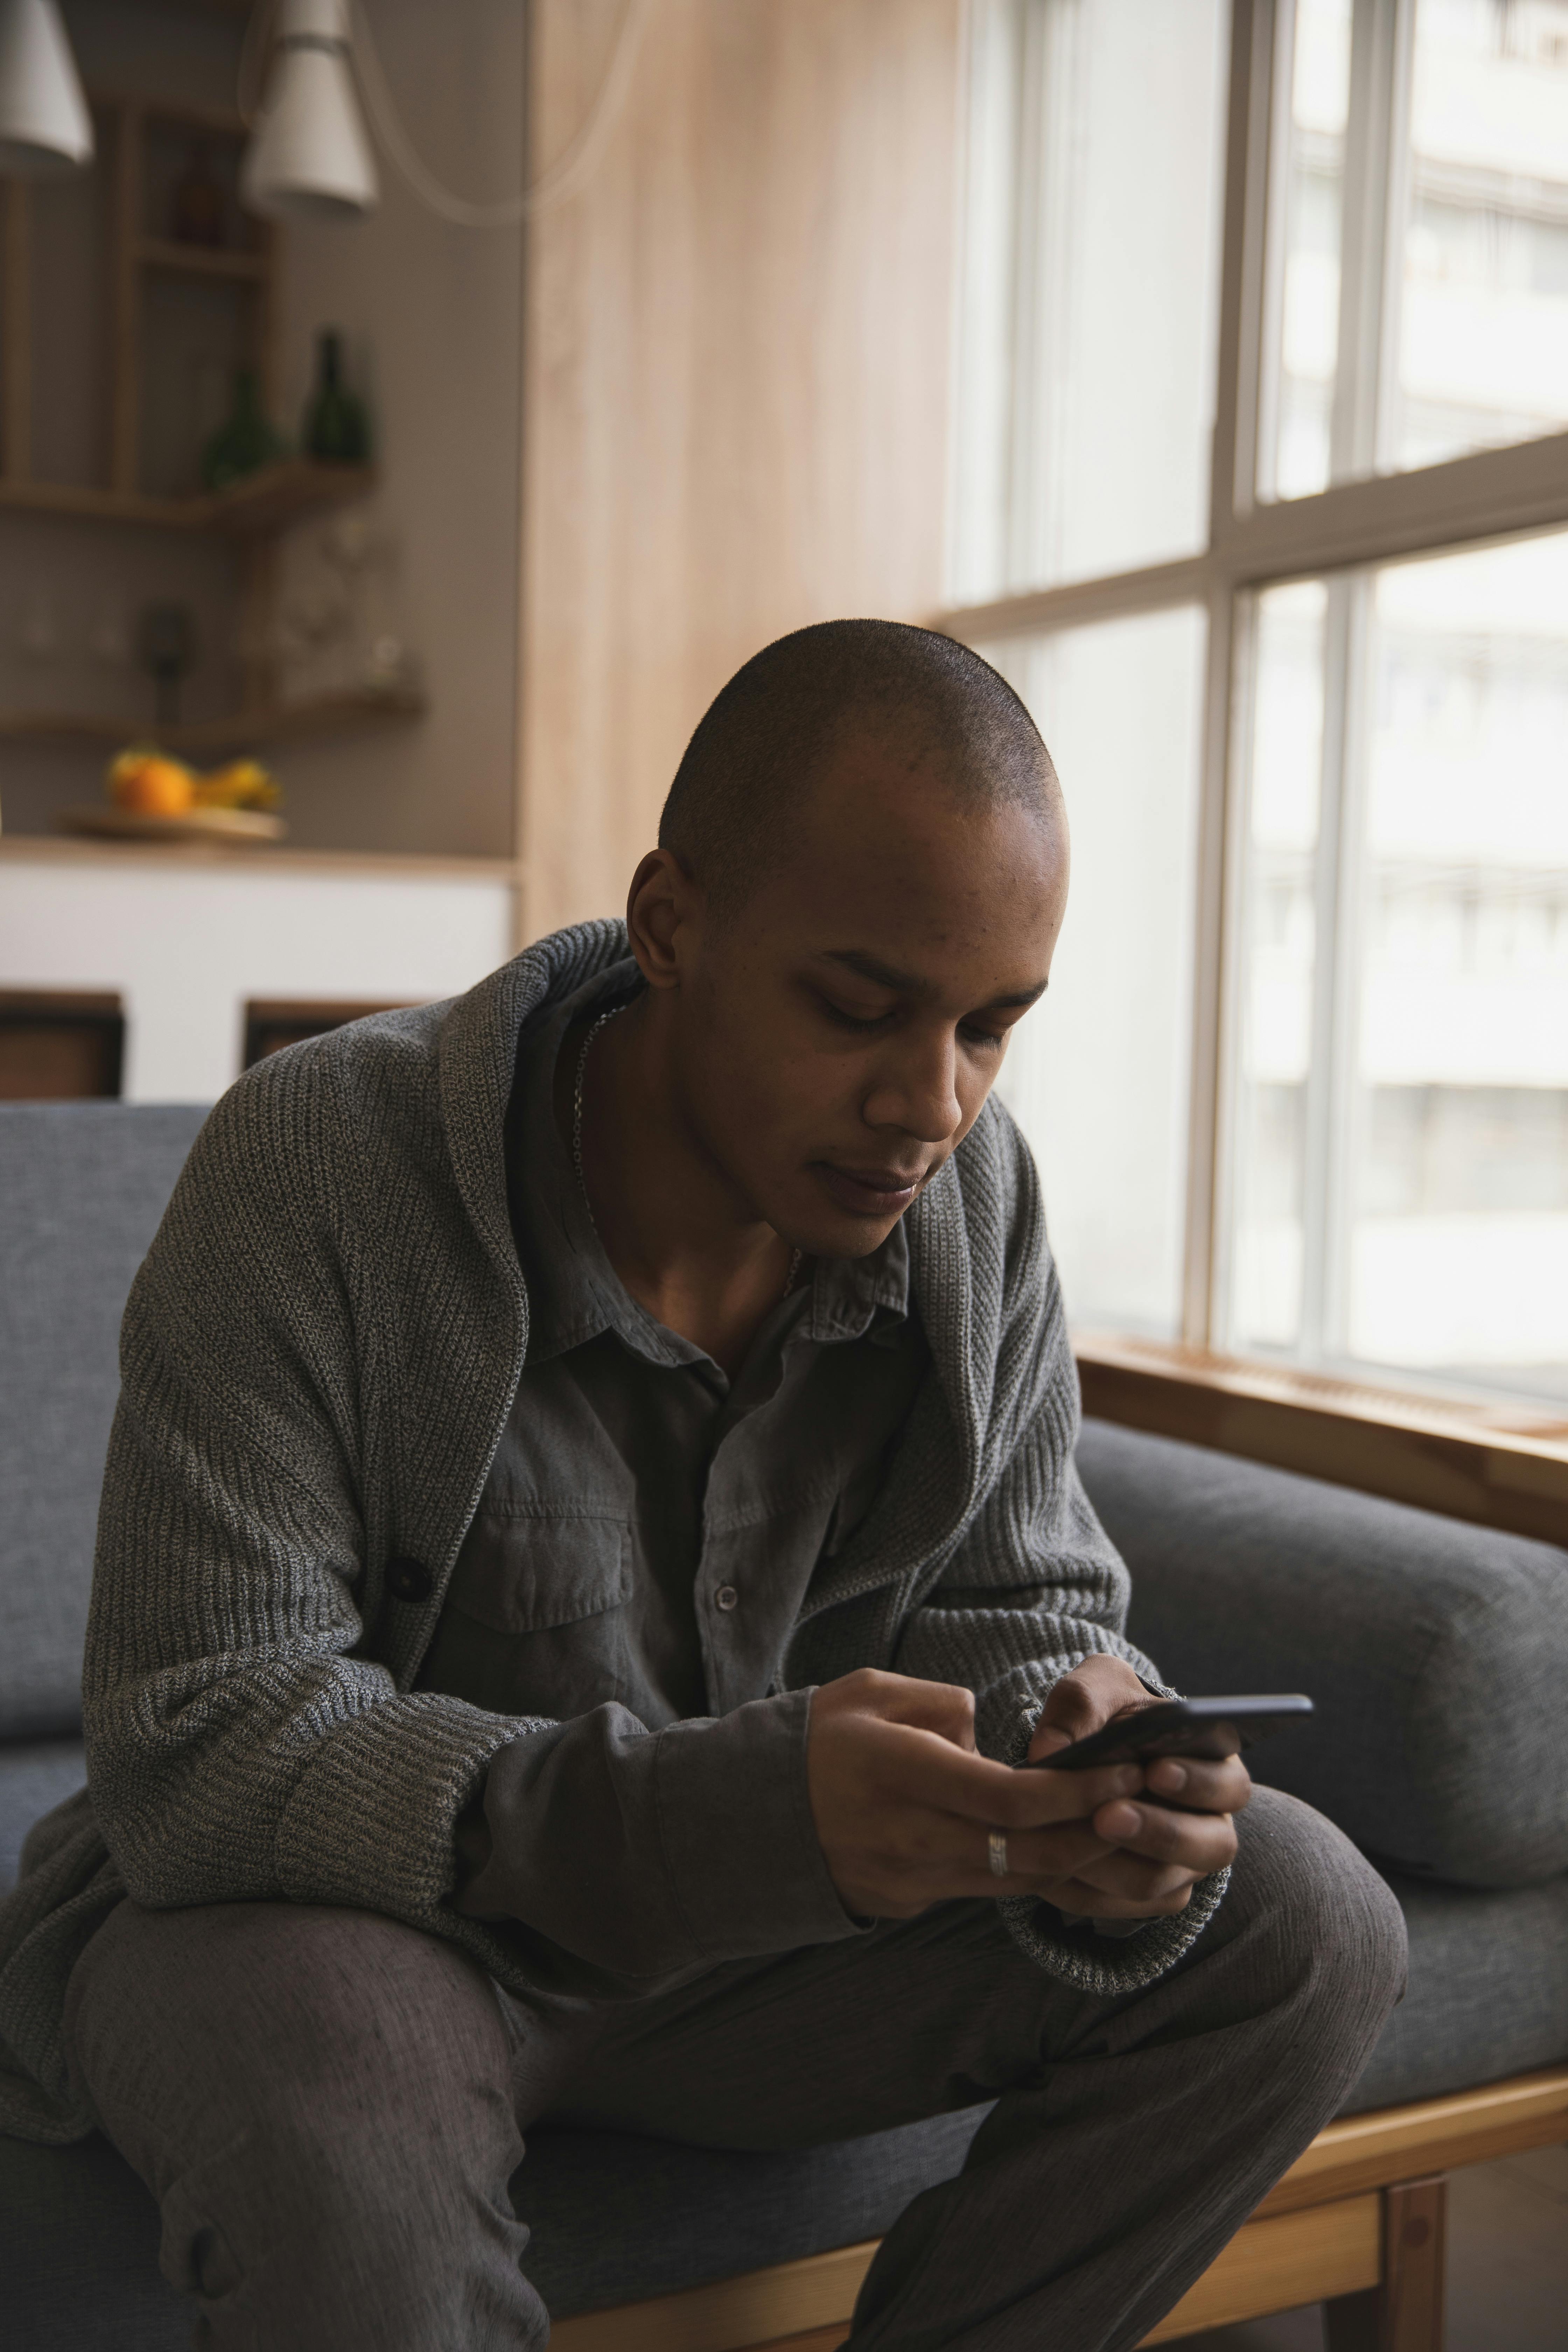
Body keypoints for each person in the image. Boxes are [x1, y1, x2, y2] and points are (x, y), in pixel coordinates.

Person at [0, 621, 1404, 2350]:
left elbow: (1019, 1604)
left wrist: (1070, 1752)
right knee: (349, 2131)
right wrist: (716, 1816)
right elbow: (202, 1743)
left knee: (1301, 1916)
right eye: (858, 1006)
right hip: (344, 1928)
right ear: (670, 926)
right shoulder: (316, 1163)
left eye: (991, 1026)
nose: (931, 1102)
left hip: (761, 1944)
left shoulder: (973, 1202)